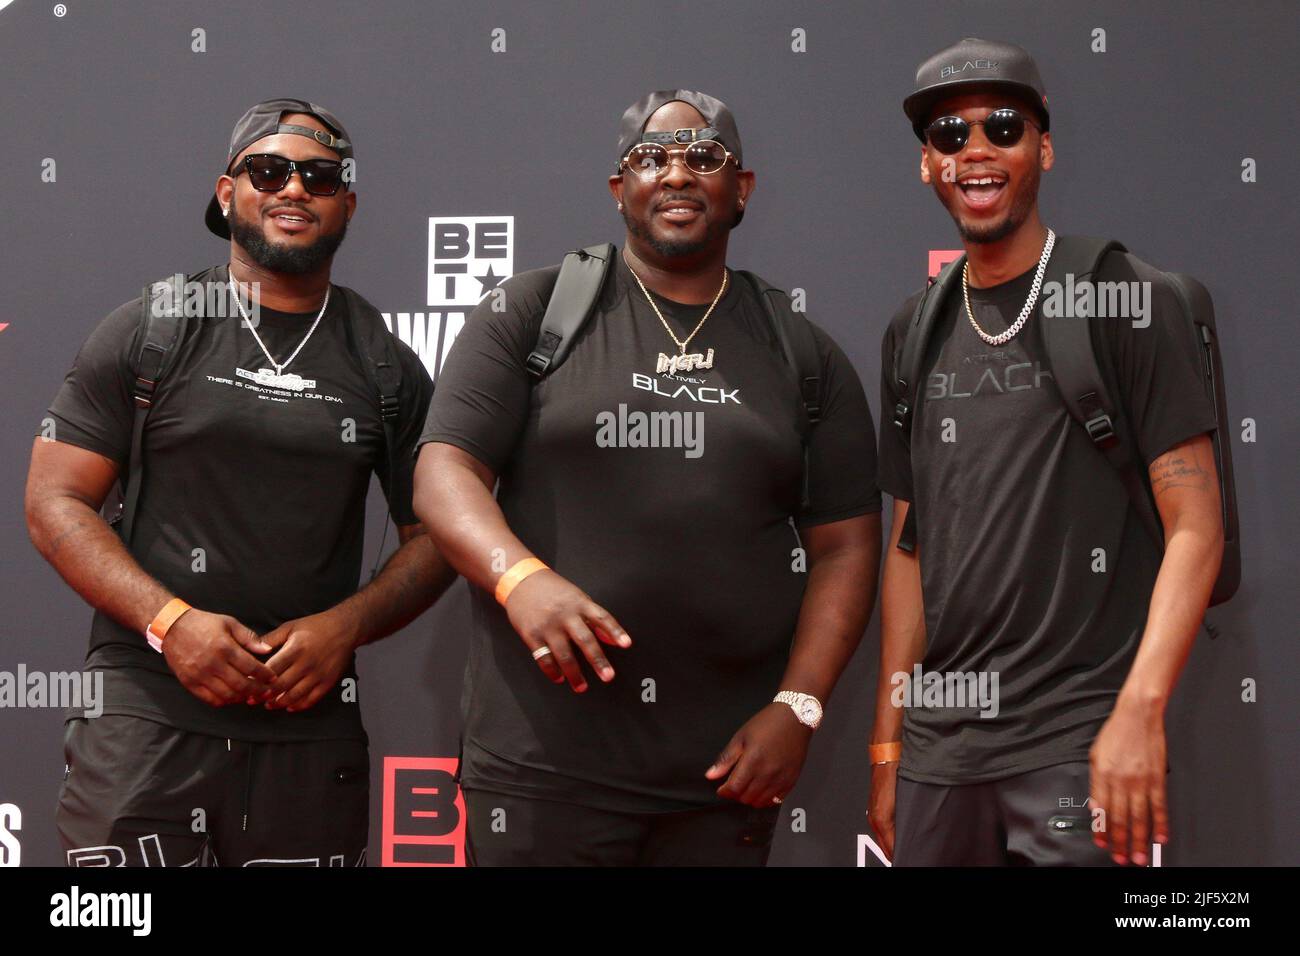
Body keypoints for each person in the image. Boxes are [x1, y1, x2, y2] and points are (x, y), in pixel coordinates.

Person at [414, 89, 881, 866]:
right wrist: (519, 577)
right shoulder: (532, 312)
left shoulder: (803, 354)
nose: (677, 174)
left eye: (705, 158)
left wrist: (797, 708)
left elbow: (847, 550)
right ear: (617, 188)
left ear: (743, 188)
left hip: (722, 774)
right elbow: (443, 469)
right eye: (651, 158)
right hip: (542, 767)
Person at [25, 98, 454, 867]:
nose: (294, 189)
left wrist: (345, 628)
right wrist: (171, 623)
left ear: (346, 204)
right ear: (228, 194)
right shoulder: (152, 329)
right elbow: (54, 500)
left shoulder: (384, 363)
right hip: (143, 717)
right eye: (269, 170)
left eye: (320, 177)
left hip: (309, 727)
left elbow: (438, 537)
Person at [869, 39, 1225, 866]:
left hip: (1079, 736)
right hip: (939, 756)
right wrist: (889, 748)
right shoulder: (912, 329)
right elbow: (908, 544)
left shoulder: (1121, 295)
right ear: (928, 166)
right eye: (950, 136)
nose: (977, 150)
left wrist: (1140, 711)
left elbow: (1196, 525)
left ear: (1045, 148)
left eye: (1002, 126)